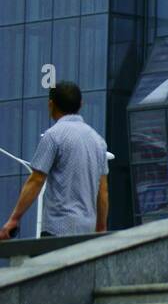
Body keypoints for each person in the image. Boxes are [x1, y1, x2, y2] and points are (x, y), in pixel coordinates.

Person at [0, 82, 109, 240]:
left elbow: (36, 180)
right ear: (81, 104)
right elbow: (103, 190)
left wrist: (14, 219)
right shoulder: (98, 141)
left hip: (57, 230)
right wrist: (101, 227)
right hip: (88, 231)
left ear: (51, 105)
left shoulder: (53, 136)